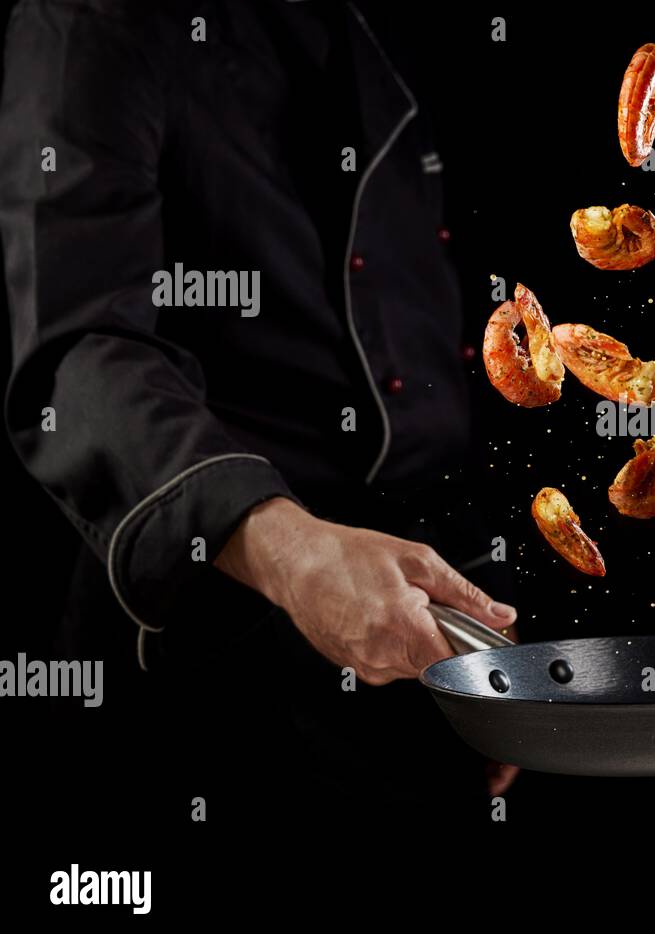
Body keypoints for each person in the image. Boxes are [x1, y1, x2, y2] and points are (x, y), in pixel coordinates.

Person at [0, 0, 520, 820]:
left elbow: (425, 353)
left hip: (410, 682)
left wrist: (486, 643)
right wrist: (295, 552)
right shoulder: (90, 20)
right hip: (208, 671)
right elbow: (82, 354)